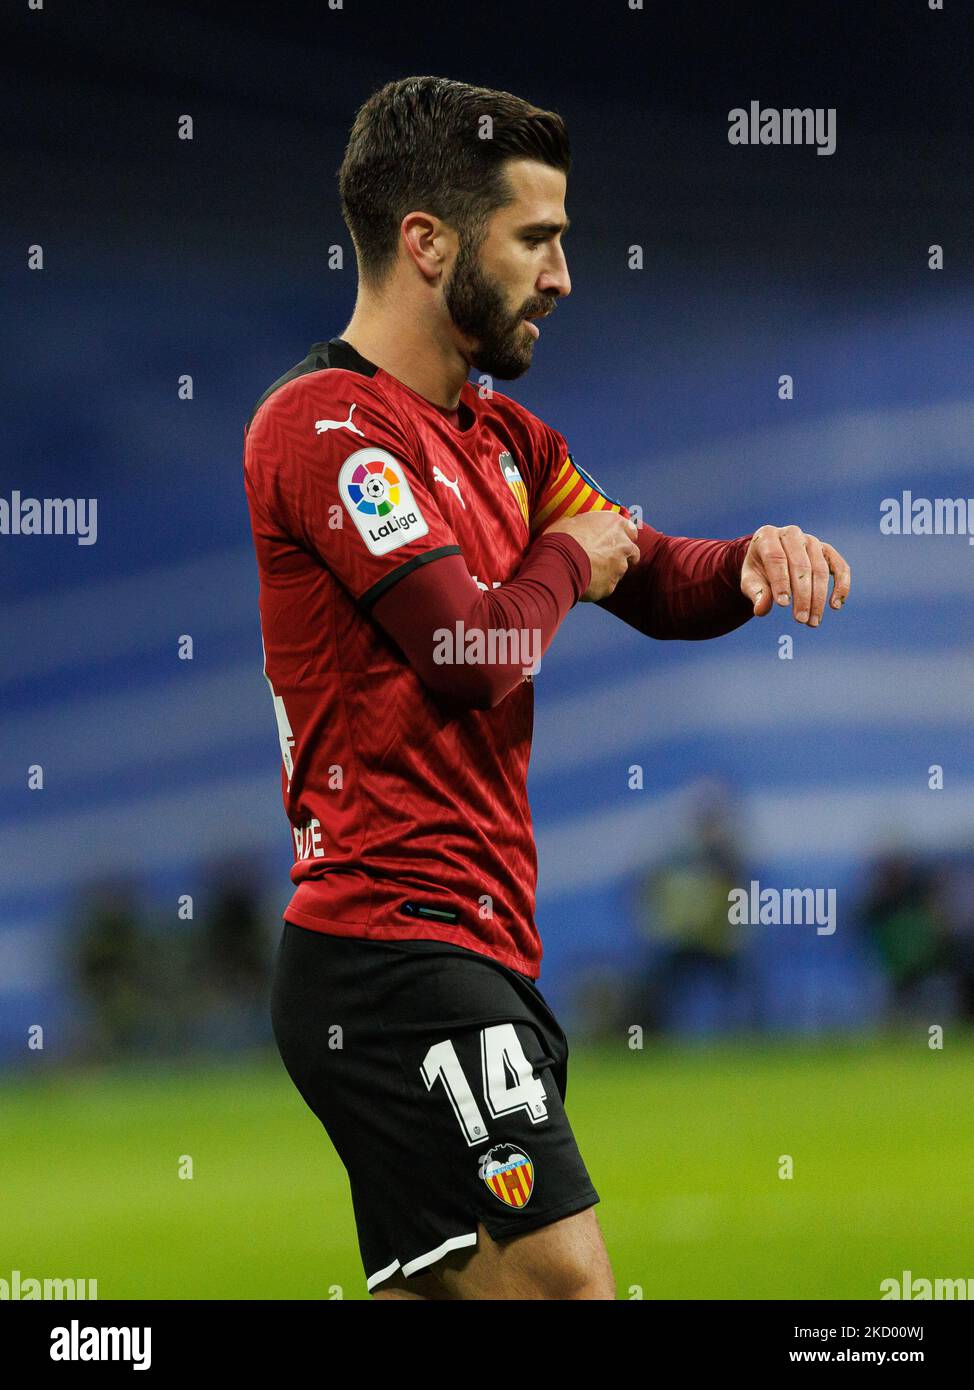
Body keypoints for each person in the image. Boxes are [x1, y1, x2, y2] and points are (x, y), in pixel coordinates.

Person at [242, 75, 851, 1301]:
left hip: (474, 941)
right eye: (535, 239)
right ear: (427, 243)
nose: (562, 275)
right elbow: (469, 655)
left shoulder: (504, 441)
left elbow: (649, 572)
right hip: (390, 943)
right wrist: (569, 560)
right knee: (567, 1283)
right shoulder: (326, 434)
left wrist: (745, 563)